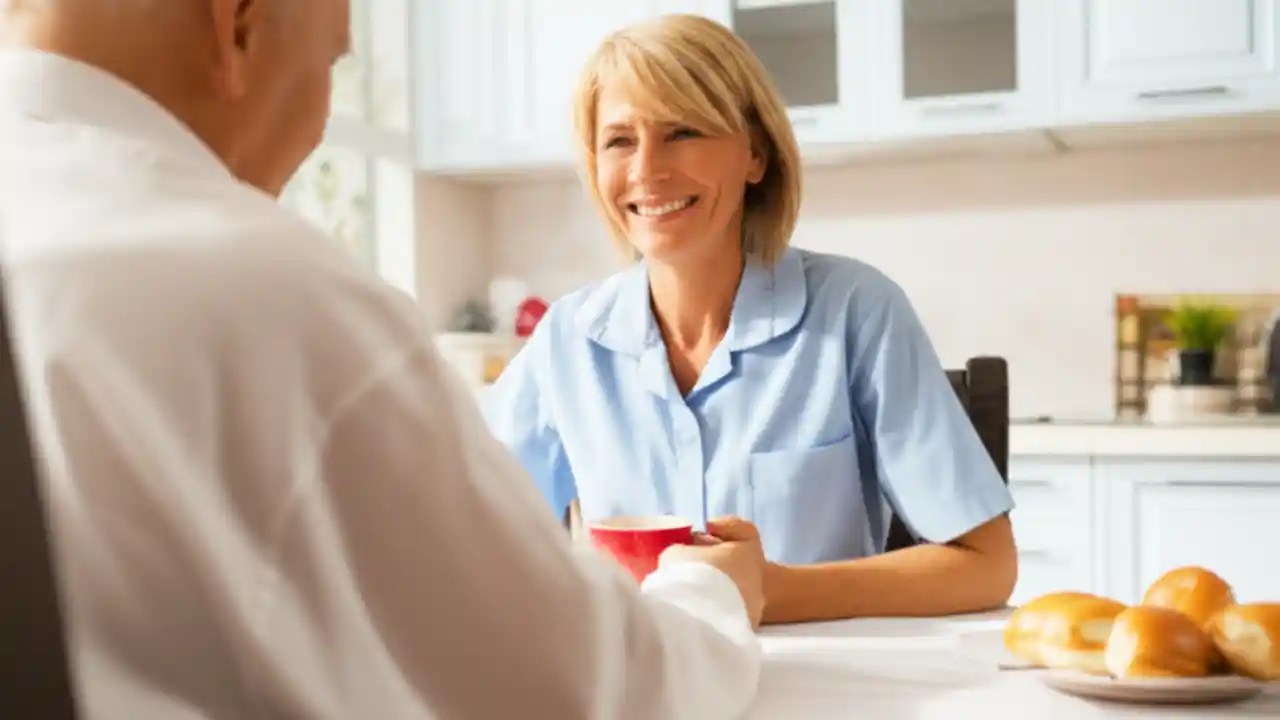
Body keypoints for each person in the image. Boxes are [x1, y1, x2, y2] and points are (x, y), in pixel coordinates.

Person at [0, 1, 768, 717]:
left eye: (685, 131)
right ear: (236, 24)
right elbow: (583, 688)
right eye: (332, 64)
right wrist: (707, 591)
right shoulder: (269, 290)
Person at [484, 14, 1019, 626]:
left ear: (755, 154)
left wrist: (770, 590)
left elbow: (986, 563)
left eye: (682, 131)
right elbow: (466, 535)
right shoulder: (568, 339)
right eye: (620, 140)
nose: (646, 169)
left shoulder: (855, 311)